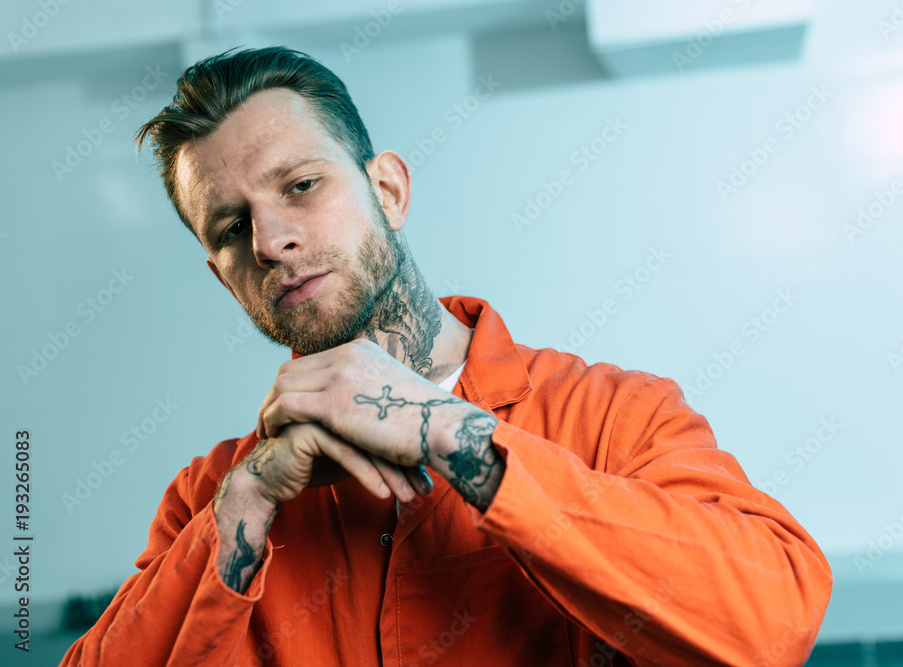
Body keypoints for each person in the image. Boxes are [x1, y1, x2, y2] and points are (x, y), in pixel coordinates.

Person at [60, 46, 833, 667]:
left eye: (299, 185)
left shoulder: (611, 415)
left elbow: (772, 624)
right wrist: (249, 504)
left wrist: (447, 430)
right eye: (232, 228)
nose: (270, 240)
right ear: (223, 277)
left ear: (388, 191)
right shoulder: (214, 496)